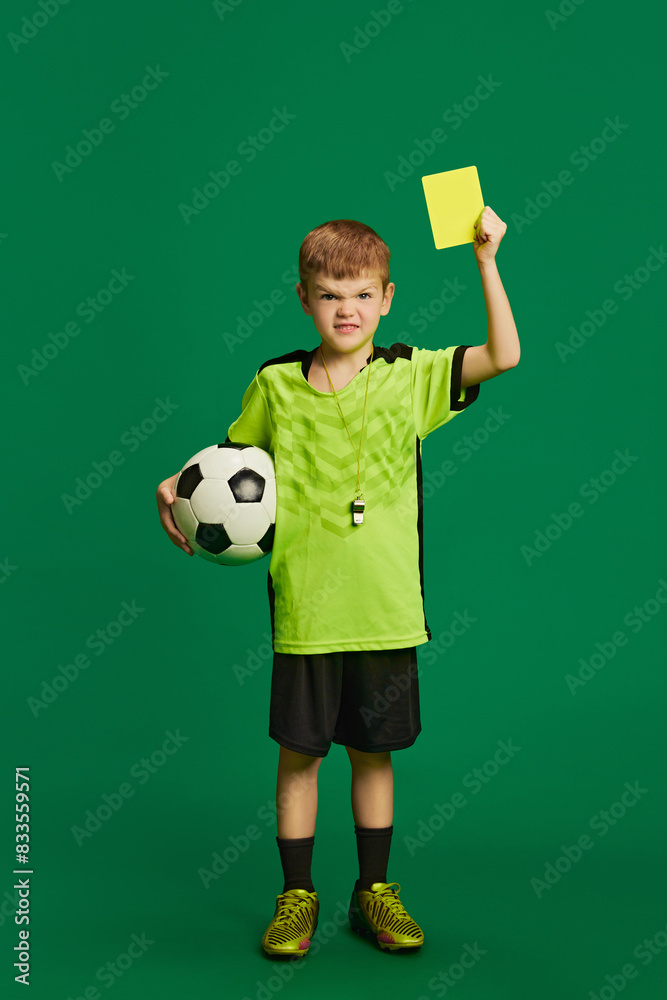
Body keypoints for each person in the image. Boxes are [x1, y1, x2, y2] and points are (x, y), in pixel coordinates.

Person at [156, 211, 519, 957]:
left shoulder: (411, 375)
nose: (344, 309)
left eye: (359, 293)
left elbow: (504, 355)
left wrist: (486, 260)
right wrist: (176, 481)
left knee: (372, 755)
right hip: (306, 613)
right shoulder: (276, 384)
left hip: (386, 611)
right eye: (328, 295)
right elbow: (227, 466)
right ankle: (296, 897)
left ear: (387, 297)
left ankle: (374, 894)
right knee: (299, 758)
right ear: (302, 299)